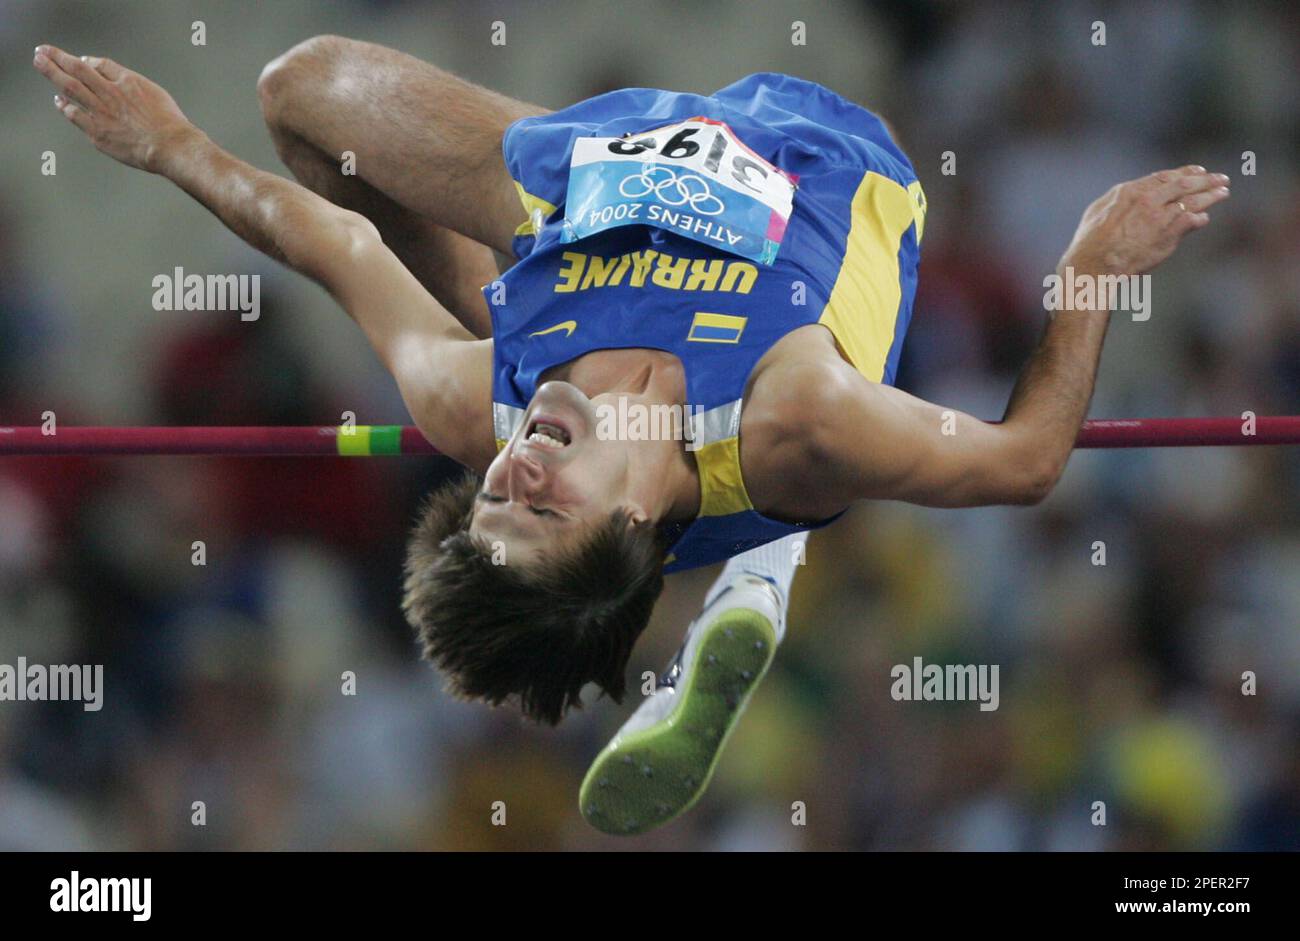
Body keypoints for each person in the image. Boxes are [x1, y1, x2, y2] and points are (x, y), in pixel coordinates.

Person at [32, 38, 1229, 834]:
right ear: (630, 521)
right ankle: (763, 561)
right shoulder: (795, 413)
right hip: (819, 159)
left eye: (494, 492)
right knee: (783, 467)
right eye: (543, 502)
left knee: (301, 98)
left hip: (597, 188)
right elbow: (1022, 463)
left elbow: (335, 241)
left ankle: (745, 559)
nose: (517, 464)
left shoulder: (478, 407)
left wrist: (169, 150)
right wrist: (1087, 270)